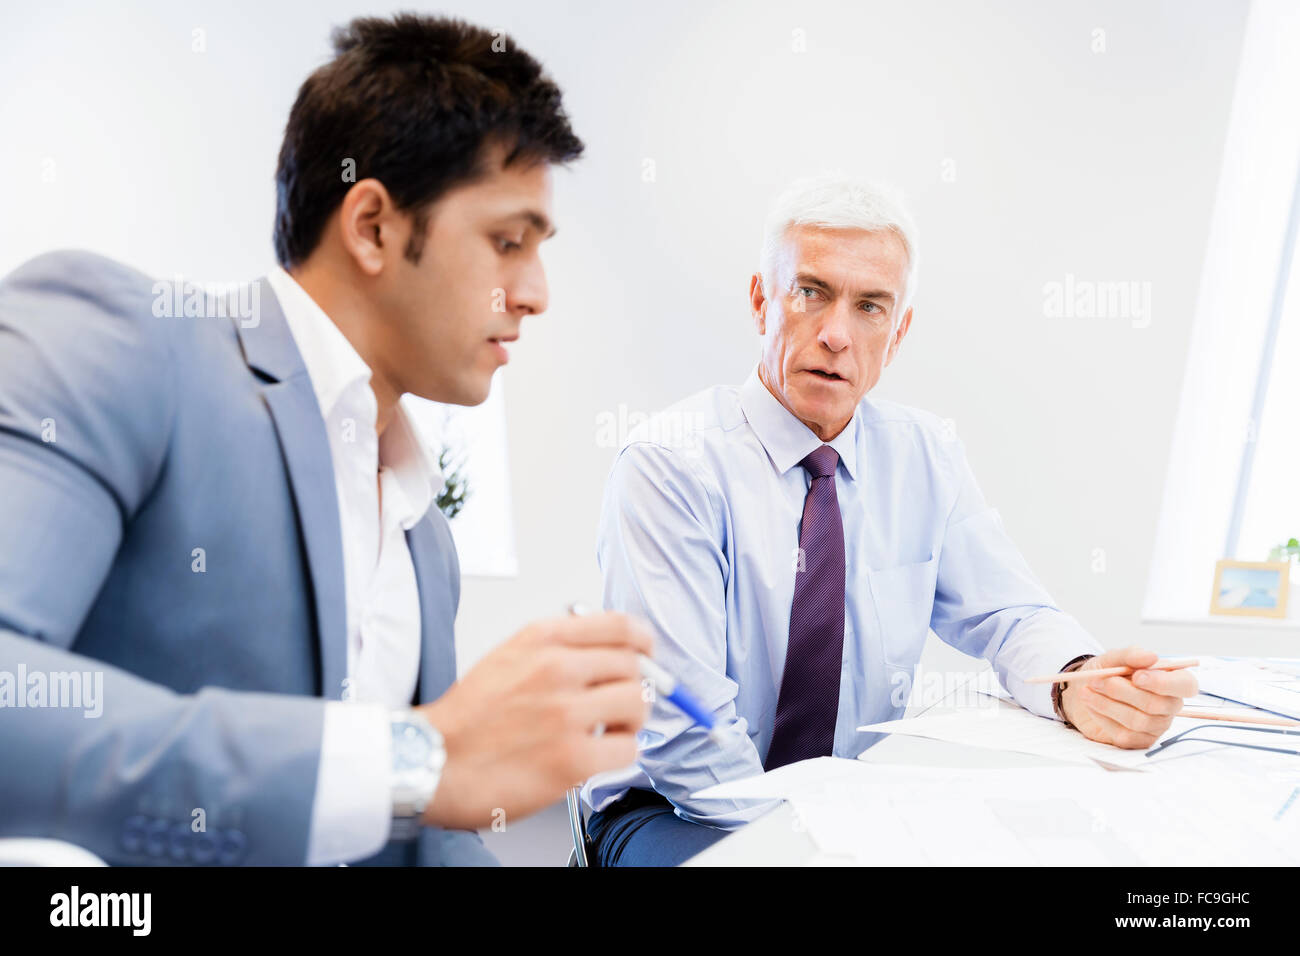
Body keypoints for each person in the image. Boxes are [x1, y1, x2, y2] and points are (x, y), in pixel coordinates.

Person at [0, 13, 650, 867]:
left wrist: (429, 774)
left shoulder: (427, 540)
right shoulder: (122, 340)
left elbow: (423, 830)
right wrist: (407, 759)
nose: (535, 293)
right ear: (373, 225)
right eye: (506, 242)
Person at [581, 173, 1198, 866]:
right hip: (675, 809)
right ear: (762, 301)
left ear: (897, 333)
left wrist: (1076, 684)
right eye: (810, 292)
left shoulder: (925, 454)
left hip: (846, 808)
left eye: (870, 306)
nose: (837, 335)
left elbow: (1011, 613)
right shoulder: (670, 465)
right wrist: (802, 847)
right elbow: (685, 727)